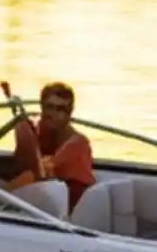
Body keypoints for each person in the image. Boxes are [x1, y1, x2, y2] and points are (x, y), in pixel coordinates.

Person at [7, 82, 95, 211]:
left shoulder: (77, 144)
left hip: (70, 208)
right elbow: (24, 162)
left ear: (69, 112)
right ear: (42, 108)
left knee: (27, 177)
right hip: (43, 203)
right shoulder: (41, 132)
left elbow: (43, 170)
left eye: (60, 109)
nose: (53, 114)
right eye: (49, 107)